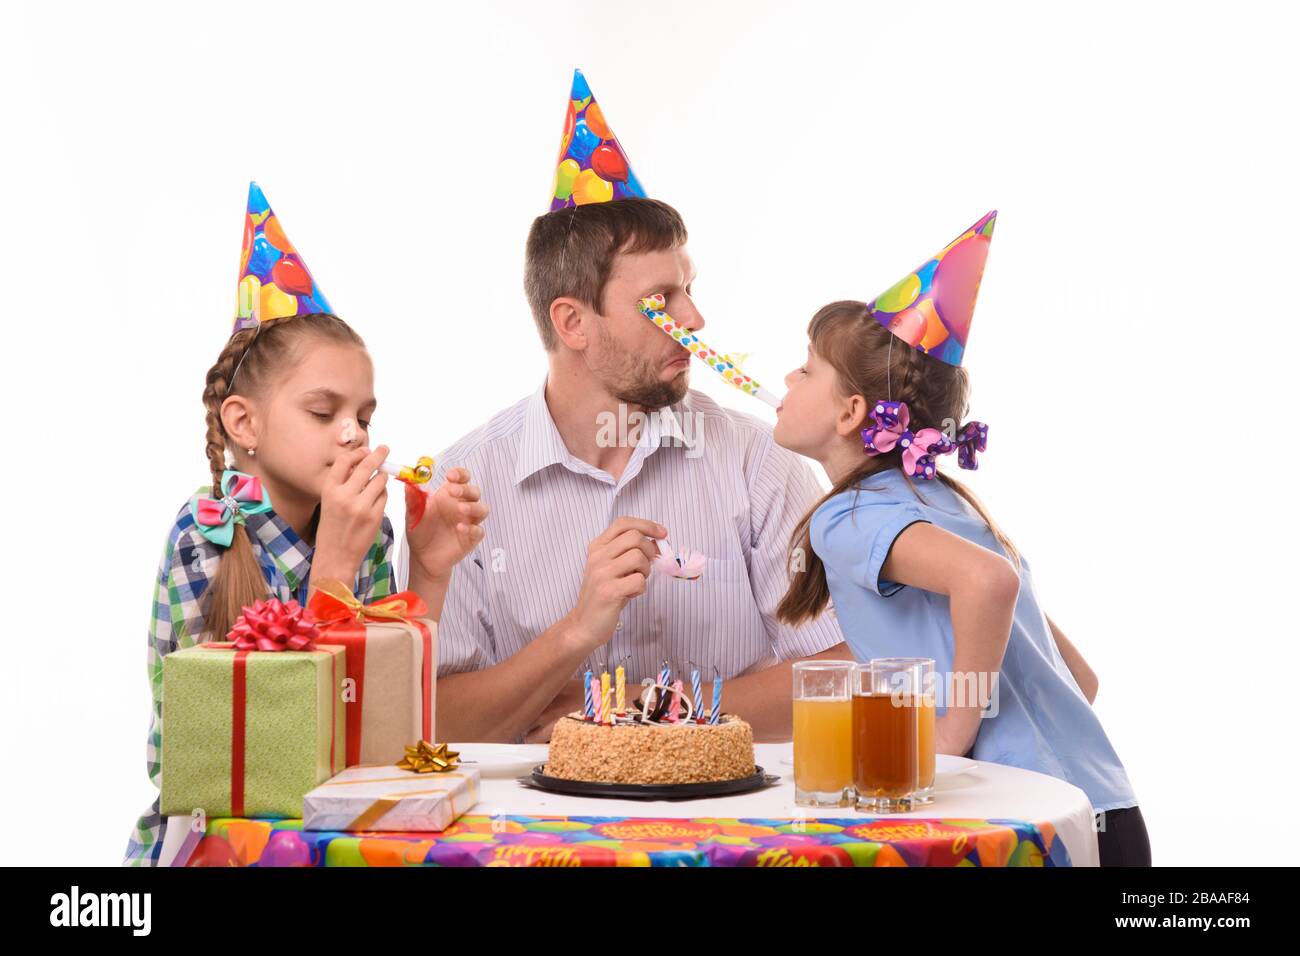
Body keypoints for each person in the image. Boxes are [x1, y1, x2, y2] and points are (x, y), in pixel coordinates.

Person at [397, 70, 850, 745]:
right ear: (573, 323)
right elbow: (433, 723)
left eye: (689, 289)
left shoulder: (760, 461)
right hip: (539, 841)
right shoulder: (465, 486)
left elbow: (843, 672)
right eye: (661, 300)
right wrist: (575, 633)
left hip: (727, 835)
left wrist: (660, 706)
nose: (693, 318)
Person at [124, 183, 488, 865]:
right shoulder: (204, 536)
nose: (353, 434)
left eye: (365, 416)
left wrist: (430, 569)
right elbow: (251, 765)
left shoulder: (367, 530)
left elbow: (384, 729)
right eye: (324, 413)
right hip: (226, 842)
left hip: (336, 835)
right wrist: (333, 572)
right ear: (245, 423)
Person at [771, 212, 1150, 865]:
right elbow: (1078, 680)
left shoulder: (846, 517)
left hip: (1025, 830)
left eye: (805, 371)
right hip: (1106, 814)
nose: (785, 381)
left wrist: (952, 731)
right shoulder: (951, 507)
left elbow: (989, 583)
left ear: (850, 412)